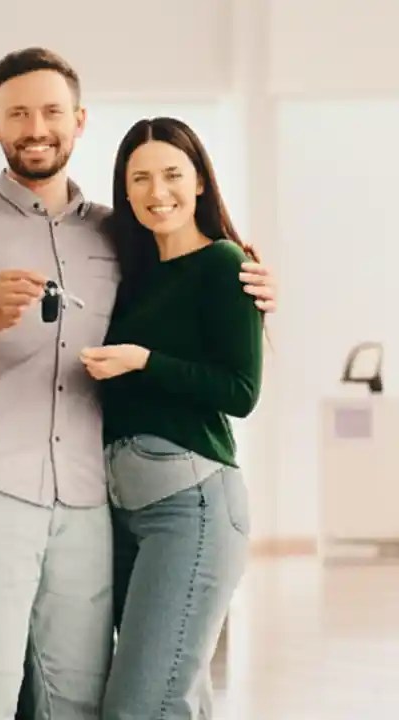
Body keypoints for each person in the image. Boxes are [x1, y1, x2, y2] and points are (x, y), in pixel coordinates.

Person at [0, 47, 277, 720]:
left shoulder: (117, 233)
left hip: (86, 499)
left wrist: (250, 285)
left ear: (78, 123)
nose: (35, 126)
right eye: (17, 113)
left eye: (50, 111)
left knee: (79, 697)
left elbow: (189, 291)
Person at [79, 116, 262, 720]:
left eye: (173, 174)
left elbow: (240, 391)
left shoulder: (223, 264)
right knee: (173, 695)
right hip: (122, 509)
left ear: (201, 181)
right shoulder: (130, 276)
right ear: (124, 192)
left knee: (140, 705)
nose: (159, 192)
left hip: (193, 507)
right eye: (141, 179)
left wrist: (143, 361)